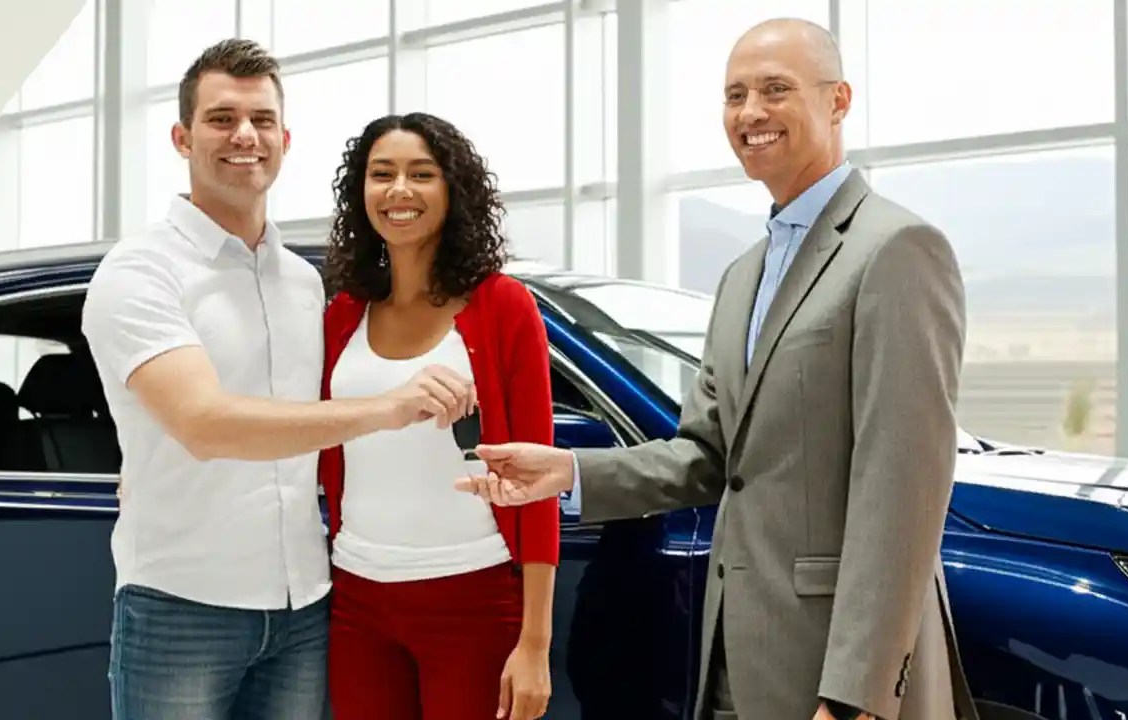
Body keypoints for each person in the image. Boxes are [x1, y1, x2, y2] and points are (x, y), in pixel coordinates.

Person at [458, 18, 980, 720]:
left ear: (839, 100)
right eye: (735, 96)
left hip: (835, 671)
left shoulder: (896, 248)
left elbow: (903, 487)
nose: (751, 113)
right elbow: (707, 456)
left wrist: (856, 697)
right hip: (735, 653)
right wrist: (569, 473)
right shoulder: (743, 275)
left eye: (775, 90)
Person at [81, 40, 474, 720]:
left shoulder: (301, 280)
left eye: (262, 120)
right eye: (221, 118)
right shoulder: (140, 271)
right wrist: (387, 408)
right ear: (182, 136)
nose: (245, 136)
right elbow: (205, 424)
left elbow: (320, 429)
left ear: (285, 139)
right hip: (183, 605)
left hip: (304, 607)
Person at [317, 112, 558, 720]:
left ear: (453, 191)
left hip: (471, 597)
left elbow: (539, 485)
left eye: (421, 174)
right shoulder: (344, 313)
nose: (399, 191)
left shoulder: (503, 305)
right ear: (361, 194)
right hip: (357, 600)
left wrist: (534, 644)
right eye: (381, 175)